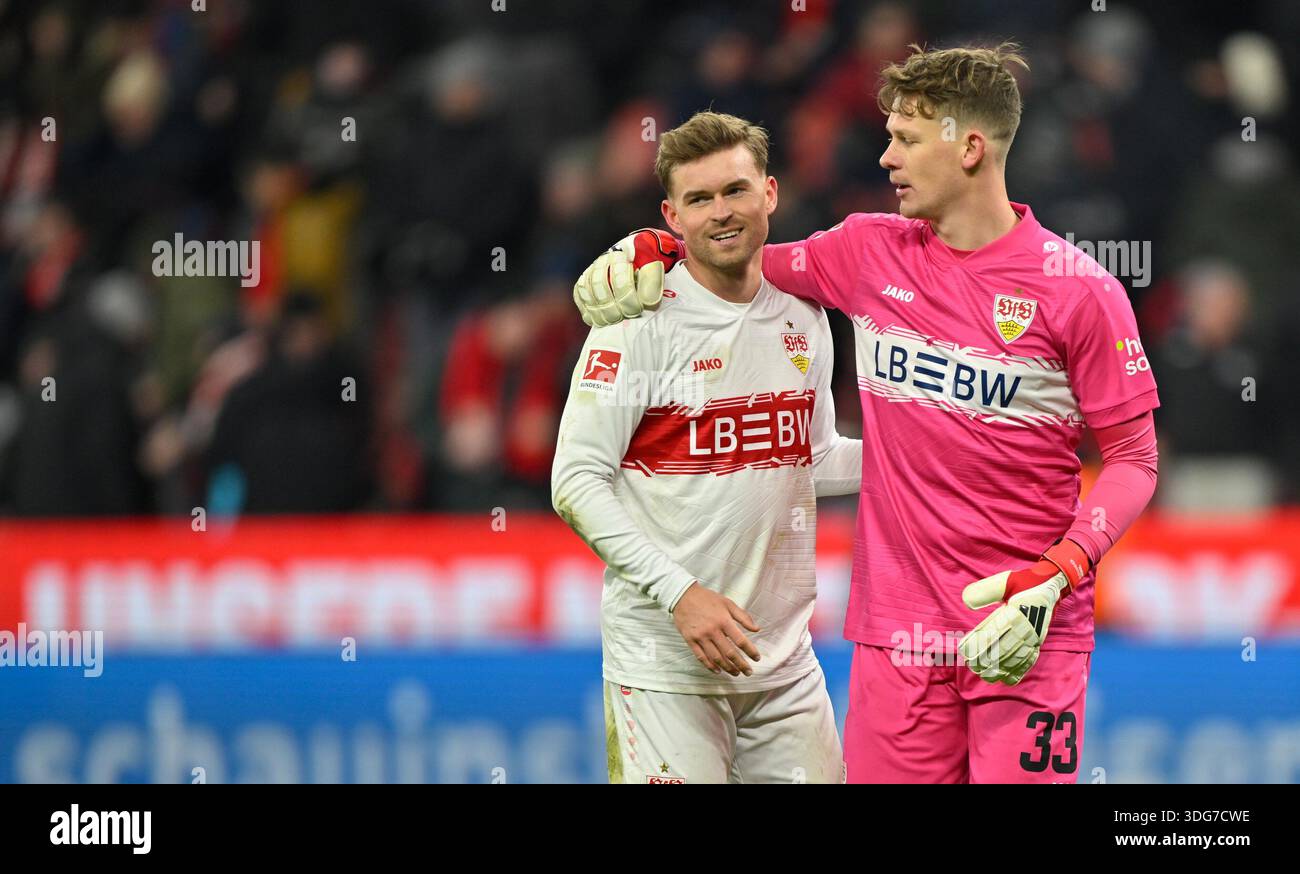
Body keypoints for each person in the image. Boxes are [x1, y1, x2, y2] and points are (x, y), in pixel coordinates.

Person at [571, 44, 1160, 783]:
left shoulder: (1080, 291)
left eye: (905, 140)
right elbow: (734, 254)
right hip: (897, 638)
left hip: (1026, 632)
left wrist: (1057, 575)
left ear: (969, 147)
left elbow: (1135, 461)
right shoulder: (865, 253)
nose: (886, 158)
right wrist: (648, 246)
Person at [552, 112, 861, 784]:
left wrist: (942, 449)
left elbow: (812, 456)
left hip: (783, 666)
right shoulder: (634, 322)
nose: (721, 213)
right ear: (671, 215)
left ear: (771, 192)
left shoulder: (805, 313)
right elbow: (575, 480)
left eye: (735, 191)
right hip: (664, 664)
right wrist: (681, 594)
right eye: (699, 199)